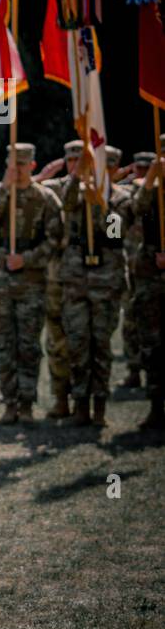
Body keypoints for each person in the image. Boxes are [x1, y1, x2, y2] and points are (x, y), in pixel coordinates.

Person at [0, 143, 62, 425]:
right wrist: (5, 188)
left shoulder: (46, 198)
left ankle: (26, 403)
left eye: (22, 165)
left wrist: (26, 259)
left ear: (33, 166)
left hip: (31, 282)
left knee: (28, 346)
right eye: (13, 165)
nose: (17, 170)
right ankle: (9, 402)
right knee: (4, 346)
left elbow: (55, 240)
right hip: (1, 283)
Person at [58, 151, 135, 427]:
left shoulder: (122, 199)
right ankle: (80, 406)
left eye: (110, 164)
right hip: (77, 279)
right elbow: (64, 205)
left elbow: (115, 233)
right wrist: (77, 174)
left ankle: (99, 407)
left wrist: (100, 205)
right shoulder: (77, 193)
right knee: (78, 345)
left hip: (106, 280)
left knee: (101, 346)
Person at [36, 140, 86, 417]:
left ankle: (84, 401)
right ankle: (61, 398)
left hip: (89, 279)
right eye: (70, 161)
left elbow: (116, 232)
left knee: (84, 340)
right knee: (56, 341)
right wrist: (42, 176)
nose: (74, 166)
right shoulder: (53, 190)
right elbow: (22, 194)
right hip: (57, 278)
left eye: (80, 161)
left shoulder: (100, 191)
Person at [133, 145, 165, 429]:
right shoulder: (148, 189)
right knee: (152, 344)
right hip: (150, 274)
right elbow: (135, 209)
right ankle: (156, 405)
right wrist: (152, 178)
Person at [120, 151, 155, 389]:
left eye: (147, 168)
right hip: (129, 266)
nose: (141, 172)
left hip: (152, 267)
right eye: (139, 168)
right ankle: (134, 369)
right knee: (130, 320)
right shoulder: (123, 194)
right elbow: (113, 232)